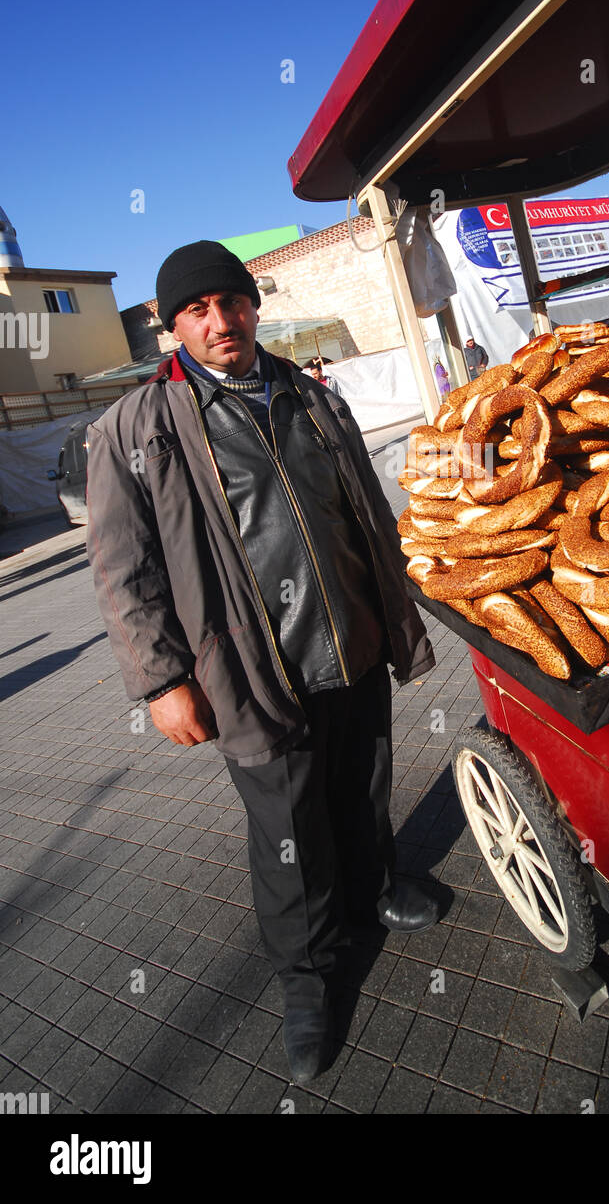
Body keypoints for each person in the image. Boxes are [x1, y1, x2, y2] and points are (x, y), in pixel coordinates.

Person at [85, 240, 438, 1085]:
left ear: (252, 305)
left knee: (362, 785)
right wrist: (162, 680)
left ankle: (374, 888)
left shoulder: (310, 396)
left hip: (348, 638)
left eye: (231, 303)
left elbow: (362, 512)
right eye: (197, 311)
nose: (220, 323)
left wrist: (398, 606)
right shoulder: (137, 426)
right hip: (248, 668)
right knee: (286, 831)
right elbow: (120, 569)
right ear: (170, 327)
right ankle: (308, 979)